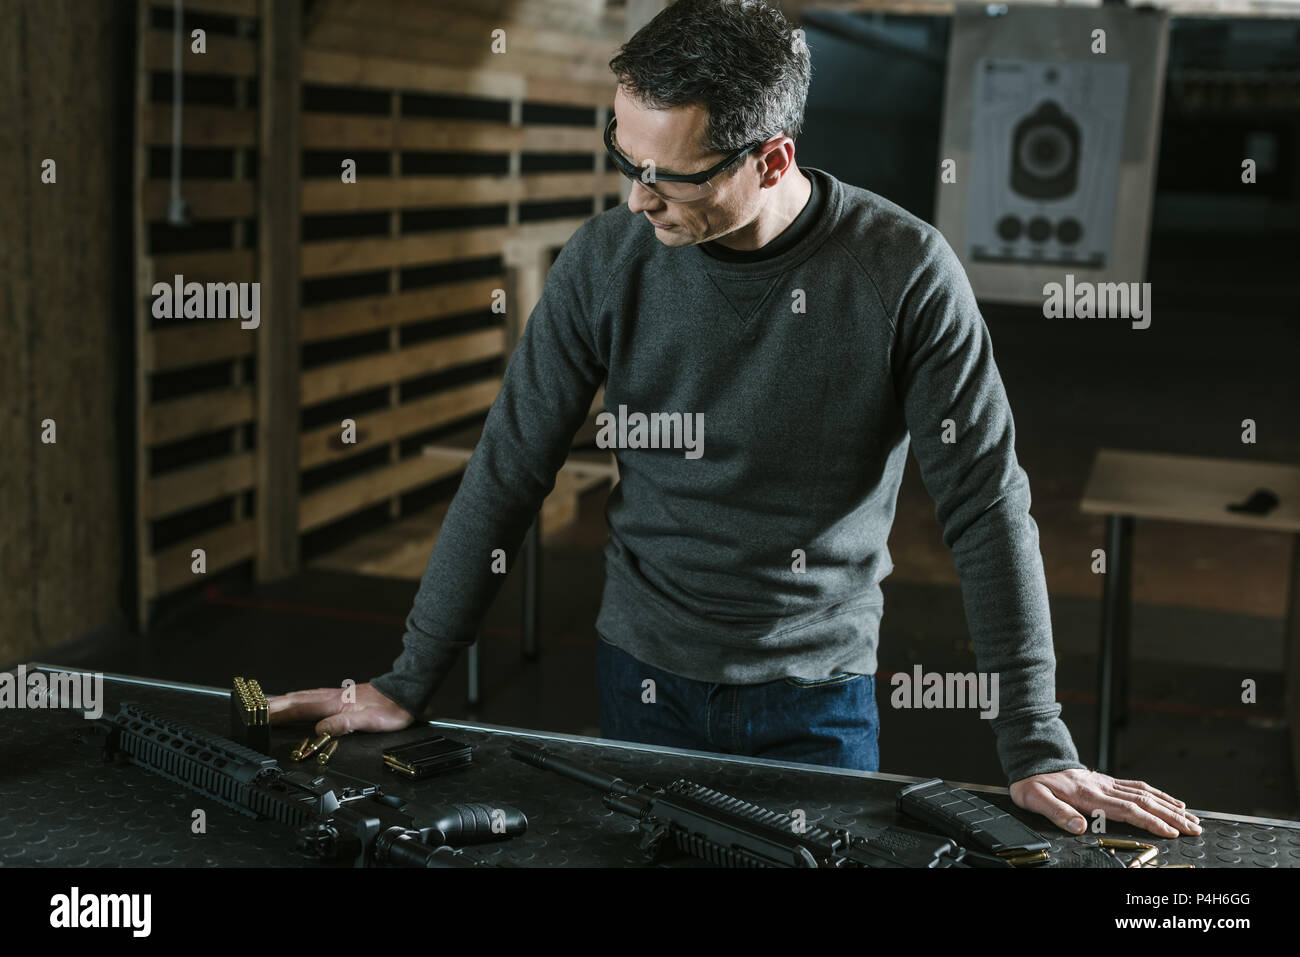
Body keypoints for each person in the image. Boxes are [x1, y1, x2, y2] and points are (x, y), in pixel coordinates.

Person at [272, 0, 1199, 840]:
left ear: (773, 156)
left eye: (669, 177)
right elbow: (510, 466)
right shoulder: (605, 260)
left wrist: (1036, 742)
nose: (638, 197)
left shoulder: (906, 274)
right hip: (639, 670)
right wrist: (407, 679)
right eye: (624, 157)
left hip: (816, 700)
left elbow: (986, 506)